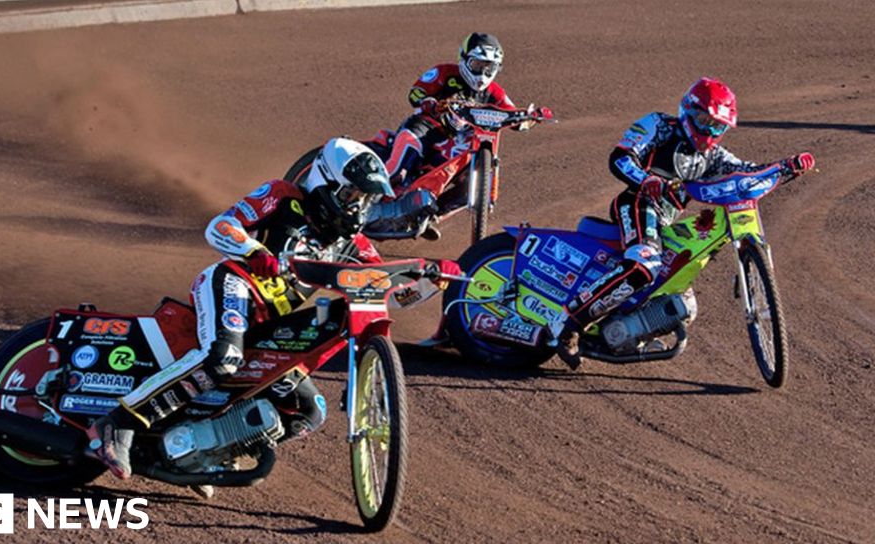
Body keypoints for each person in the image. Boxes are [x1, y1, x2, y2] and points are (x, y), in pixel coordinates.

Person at [86, 138, 397, 480]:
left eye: (366, 202)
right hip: (234, 284)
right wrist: (253, 251)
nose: (357, 209)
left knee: (308, 410)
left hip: (270, 323)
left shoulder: (352, 244)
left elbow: (382, 281)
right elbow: (220, 226)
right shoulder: (282, 196)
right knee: (223, 358)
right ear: (326, 182)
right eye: (352, 196)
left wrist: (430, 279)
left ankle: (207, 451)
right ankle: (117, 424)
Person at [549, 76, 815, 369]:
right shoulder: (659, 126)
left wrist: (788, 167)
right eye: (704, 121)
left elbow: (748, 173)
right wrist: (646, 179)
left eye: (719, 126)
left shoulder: (713, 157)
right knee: (645, 264)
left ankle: (623, 334)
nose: (710, 131)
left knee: (684, 304)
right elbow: (620, 158)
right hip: (638, 203)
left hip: (664, 220)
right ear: (687, 111)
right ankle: (570, 323)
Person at [374, 32, 552, 239]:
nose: (483, 74)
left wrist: (532, 117)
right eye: (478, 65)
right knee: (400, 168)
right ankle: (363, 200)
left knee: (472, 185)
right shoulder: (445, 73)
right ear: (464, 59)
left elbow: (512, 114)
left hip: (461, 144)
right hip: (426, 128)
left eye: (489, 68)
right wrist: (429, 102)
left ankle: (429, 215)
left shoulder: (494, 92)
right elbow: (415, 93)